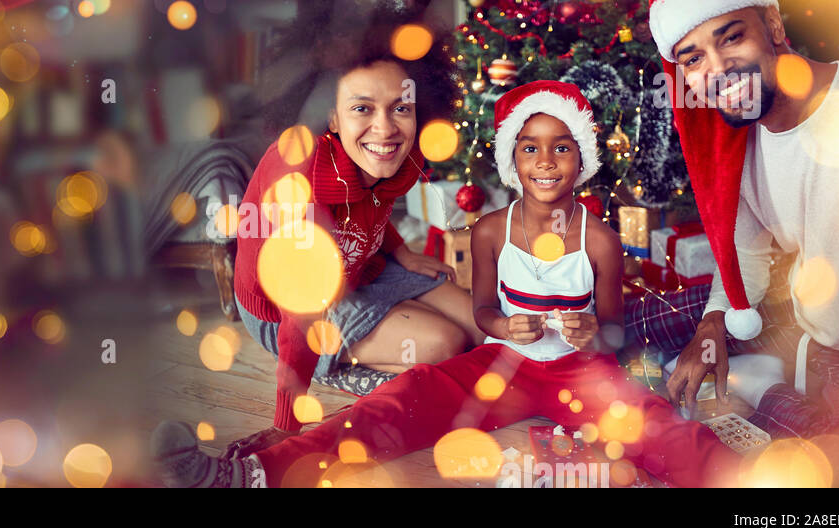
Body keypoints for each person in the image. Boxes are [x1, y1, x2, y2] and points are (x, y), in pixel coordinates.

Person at [153, 81, 741, 488]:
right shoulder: (489, 231)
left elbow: (613, 329)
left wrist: (594, 331)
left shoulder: (602, 240)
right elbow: (483, 310)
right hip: (501, 358)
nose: (545, 162)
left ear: (580, 160)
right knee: (405, 397)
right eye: (529, 149)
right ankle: (253, 475)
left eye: (561, 148)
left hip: (580, 371)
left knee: (655, 426)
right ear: (514, 163)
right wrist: (500, 325)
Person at [643, 0, 839, 470]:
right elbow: (743, 250)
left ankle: (770, 401)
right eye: (693, 58)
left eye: (732, 38)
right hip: (803, 322)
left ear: (774, 25)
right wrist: (713, 324)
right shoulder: (734, 137)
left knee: (800, 468)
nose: (717, 71)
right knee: (650, 319)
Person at [224, 1, 485, 459]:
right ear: (331, 117)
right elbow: (298, 320)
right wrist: (288, 424)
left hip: (361, 265)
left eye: (400, 107)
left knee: (480, 322)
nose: (384, 128)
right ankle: (349, 374)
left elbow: (370, 208)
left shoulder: (398, 153)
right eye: (362, 108)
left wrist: (401, 252)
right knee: (445, 344)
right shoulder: (298, 183)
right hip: (286, 310)